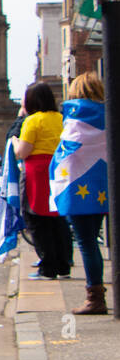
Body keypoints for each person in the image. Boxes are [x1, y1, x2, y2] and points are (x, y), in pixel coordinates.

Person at [57, 72, 107, 314]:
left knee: (87, 243)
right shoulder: (109, 114)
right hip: (105, 186)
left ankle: (95, 298)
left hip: (79, 188)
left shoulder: (76, 118)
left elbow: (66, 152)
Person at [14, 81, 73, 280]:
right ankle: (64, 266)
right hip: (59, 169)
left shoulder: (32, 121)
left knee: (36, 219)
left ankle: (47, 268)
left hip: (37, 172)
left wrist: (14, 141)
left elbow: (22, 152)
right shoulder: (61, 118)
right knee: (57, 218)